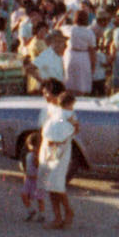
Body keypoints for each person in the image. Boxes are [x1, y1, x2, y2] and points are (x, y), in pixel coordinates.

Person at [39, 92, 78, 229]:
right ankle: (58, 216)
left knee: (56, 184)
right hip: (55, 151)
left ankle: (66, 211)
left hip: (57, 152)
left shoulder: (66, 115)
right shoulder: (64, 114)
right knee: (52, 184)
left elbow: (71, 131)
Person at [19, 131, 45, 222]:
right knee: (23, 194)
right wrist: (25, 176)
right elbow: (27, 168)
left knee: (39, 198)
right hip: (29, 179)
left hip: (38, 181)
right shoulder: (29, 155)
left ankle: (42, 214)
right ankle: (30, 210)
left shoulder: (41, 158)